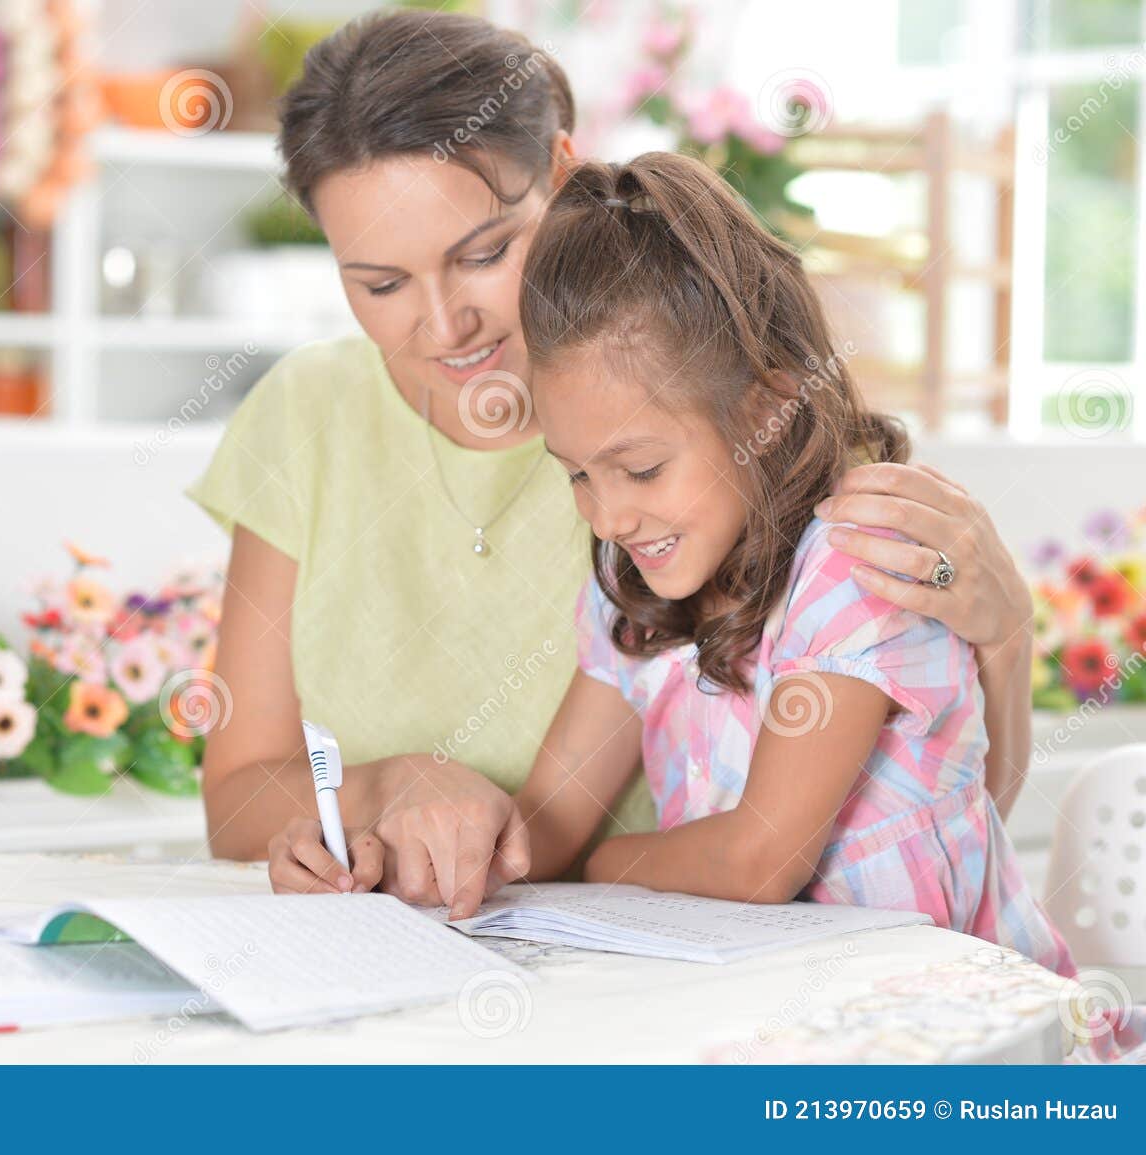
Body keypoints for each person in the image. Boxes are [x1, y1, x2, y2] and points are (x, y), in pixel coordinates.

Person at [187, 9, 1038, 920]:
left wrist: (1009, 632)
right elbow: (252, 796)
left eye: (484, 254)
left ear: (563, 172)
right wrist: (378, 818)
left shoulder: (742, 438)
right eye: (381, 283)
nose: (443, 325)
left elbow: (944, 808)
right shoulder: (325, 420)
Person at [510, 151, 1071, 974]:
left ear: (765, 409)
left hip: (949, 1033)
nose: (608, 513)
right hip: (780, 1020)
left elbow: (757, 860)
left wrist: (607, 865)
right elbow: (551, 820)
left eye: (641, 468)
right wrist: (429, 841)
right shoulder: (635, 590)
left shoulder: (856, 564)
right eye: (577, 473)